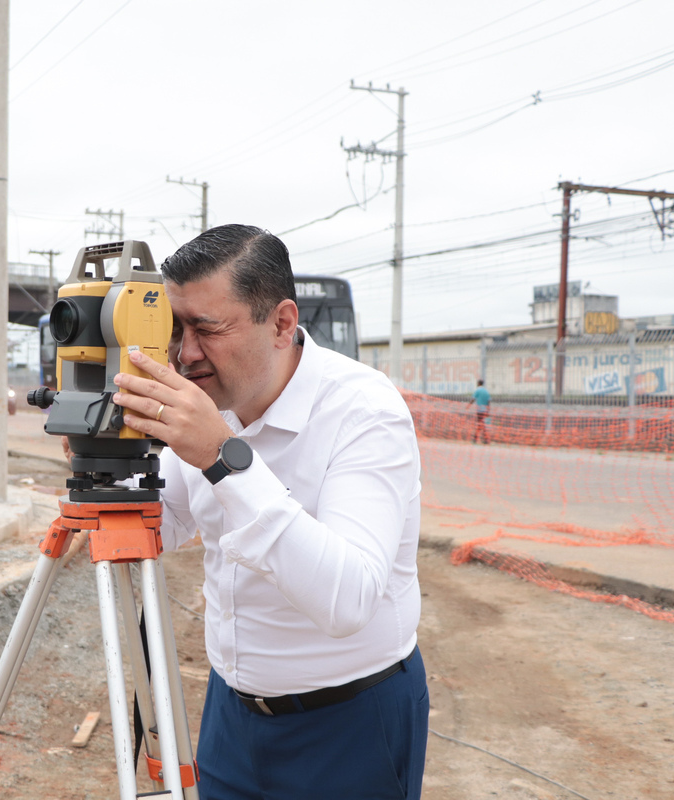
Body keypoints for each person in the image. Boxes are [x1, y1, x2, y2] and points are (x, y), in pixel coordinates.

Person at [111, 225, 427, 799]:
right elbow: (173, 520)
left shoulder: (365, 411)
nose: (186, 354)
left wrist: (223, 459)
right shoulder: (211, 401)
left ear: (282, 322)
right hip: (231, 714)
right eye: (177, 329)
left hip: (350, 719)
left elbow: (349, 598)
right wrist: (110, 473)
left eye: (208, 329)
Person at [469, 379, 491, 444]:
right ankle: (483, 439)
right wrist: (488, 410)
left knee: (481, 424)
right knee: (482, 424)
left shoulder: (477, 390)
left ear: (478, 383)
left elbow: (473, 399)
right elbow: (489, 401)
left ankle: (481, 439)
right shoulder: (486, 391)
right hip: (485, 410)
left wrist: (468, 406)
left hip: (479, 410)